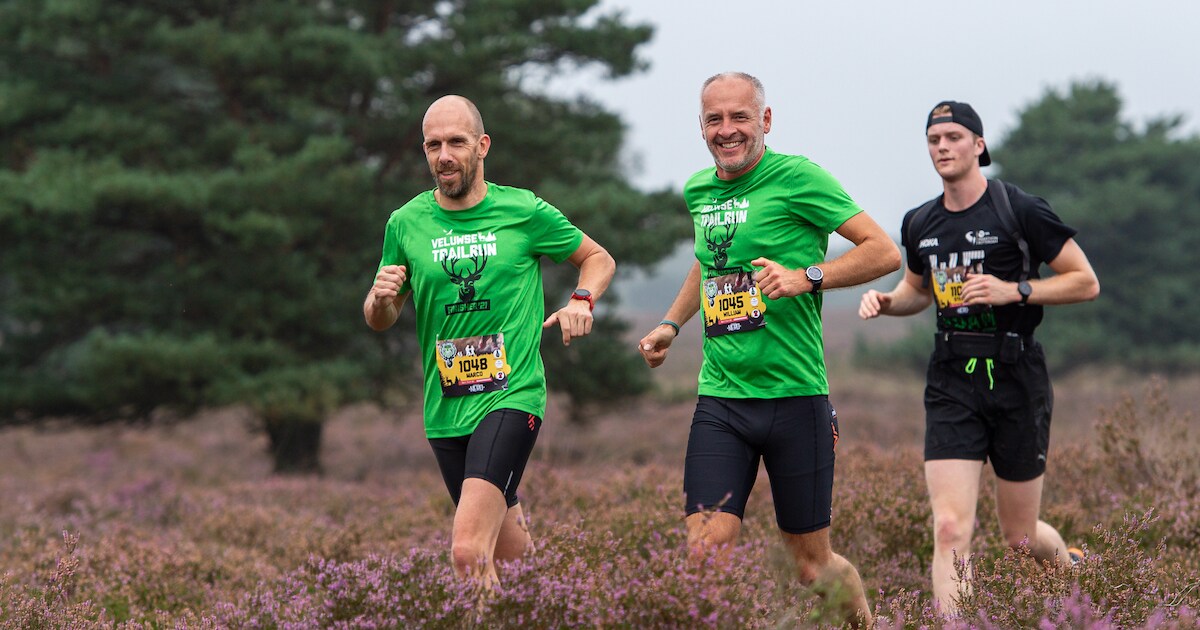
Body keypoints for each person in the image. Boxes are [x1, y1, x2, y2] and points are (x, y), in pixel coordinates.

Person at [638, 72, 900, 627]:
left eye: (740, 117)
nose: (727, 130)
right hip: (722, 401)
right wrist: (670, 324)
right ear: (701, 127)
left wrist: (808, 276)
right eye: (714, 119)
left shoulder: (799, 178)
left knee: (811, 567)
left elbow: (883, 252)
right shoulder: (699, 190)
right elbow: (709, 263)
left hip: (795, 399)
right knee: (704, 556)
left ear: (766, 120)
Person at [858, 100, 1100, 614]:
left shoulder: (1020, 209)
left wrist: (1017, 290)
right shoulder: (919, 222)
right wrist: (887, 302)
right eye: (933, 140)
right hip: (951, 379)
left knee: (1020, 538)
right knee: (950, 527)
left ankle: (1073, 570)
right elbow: (917, 291)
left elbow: (1085, 282)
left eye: (953, 137)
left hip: (1017, 375)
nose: (942, 147)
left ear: (978, 145)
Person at [364, 95, 615, 589]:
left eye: (456, 142)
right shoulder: (405, 223)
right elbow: (381, 318)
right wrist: (379, 300)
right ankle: (551, 612)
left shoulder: (523, 210)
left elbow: (598, 258)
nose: (444, 156)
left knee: (466, 551)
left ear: (482, 146)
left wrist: (582, 300)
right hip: (445, 408)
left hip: (510, 396)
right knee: (516, 567)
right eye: (433, 145)